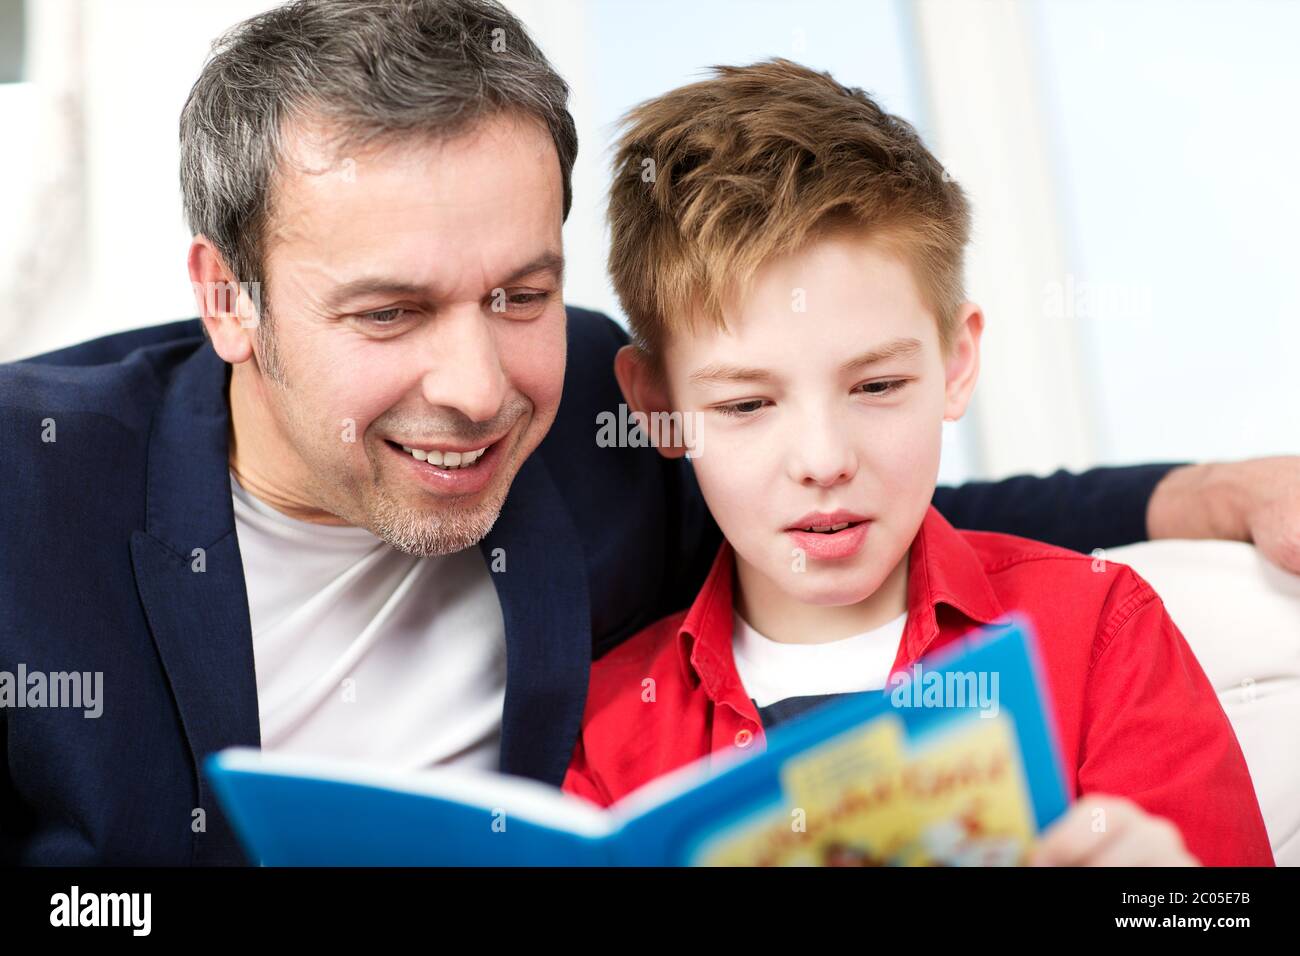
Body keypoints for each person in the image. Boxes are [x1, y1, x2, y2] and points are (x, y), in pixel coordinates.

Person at [0, 0, 1293, 866]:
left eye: (520, 291)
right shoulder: (29, 487)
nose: (476, 387)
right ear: (229, 297)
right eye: (390, 313)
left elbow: (879, 493)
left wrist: (1209, 489)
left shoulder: (597, 414)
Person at [561, 58, 1274, 866]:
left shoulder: (1101, 633)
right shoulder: (604, 729)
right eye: (747, 405)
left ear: (956, 363)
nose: (824, 461)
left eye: (876, 384)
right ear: (659, 409)